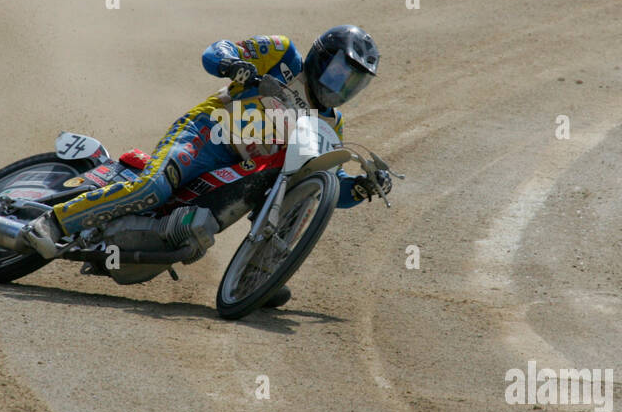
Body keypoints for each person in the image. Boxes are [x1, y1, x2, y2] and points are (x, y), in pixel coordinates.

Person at [24, 26, 392, 284]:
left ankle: (263, 274)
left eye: (354, 83)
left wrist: (360, 189)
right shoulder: (282, 54)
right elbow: (217, 50)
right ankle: (54, 223)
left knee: (289, 200)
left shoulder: (331, 123)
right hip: (205, 134)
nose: (341, 88)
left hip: (243, 172)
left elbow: (325, 185)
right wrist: (232, 63)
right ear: (320, 58)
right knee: (152, 188)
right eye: (340, 73)